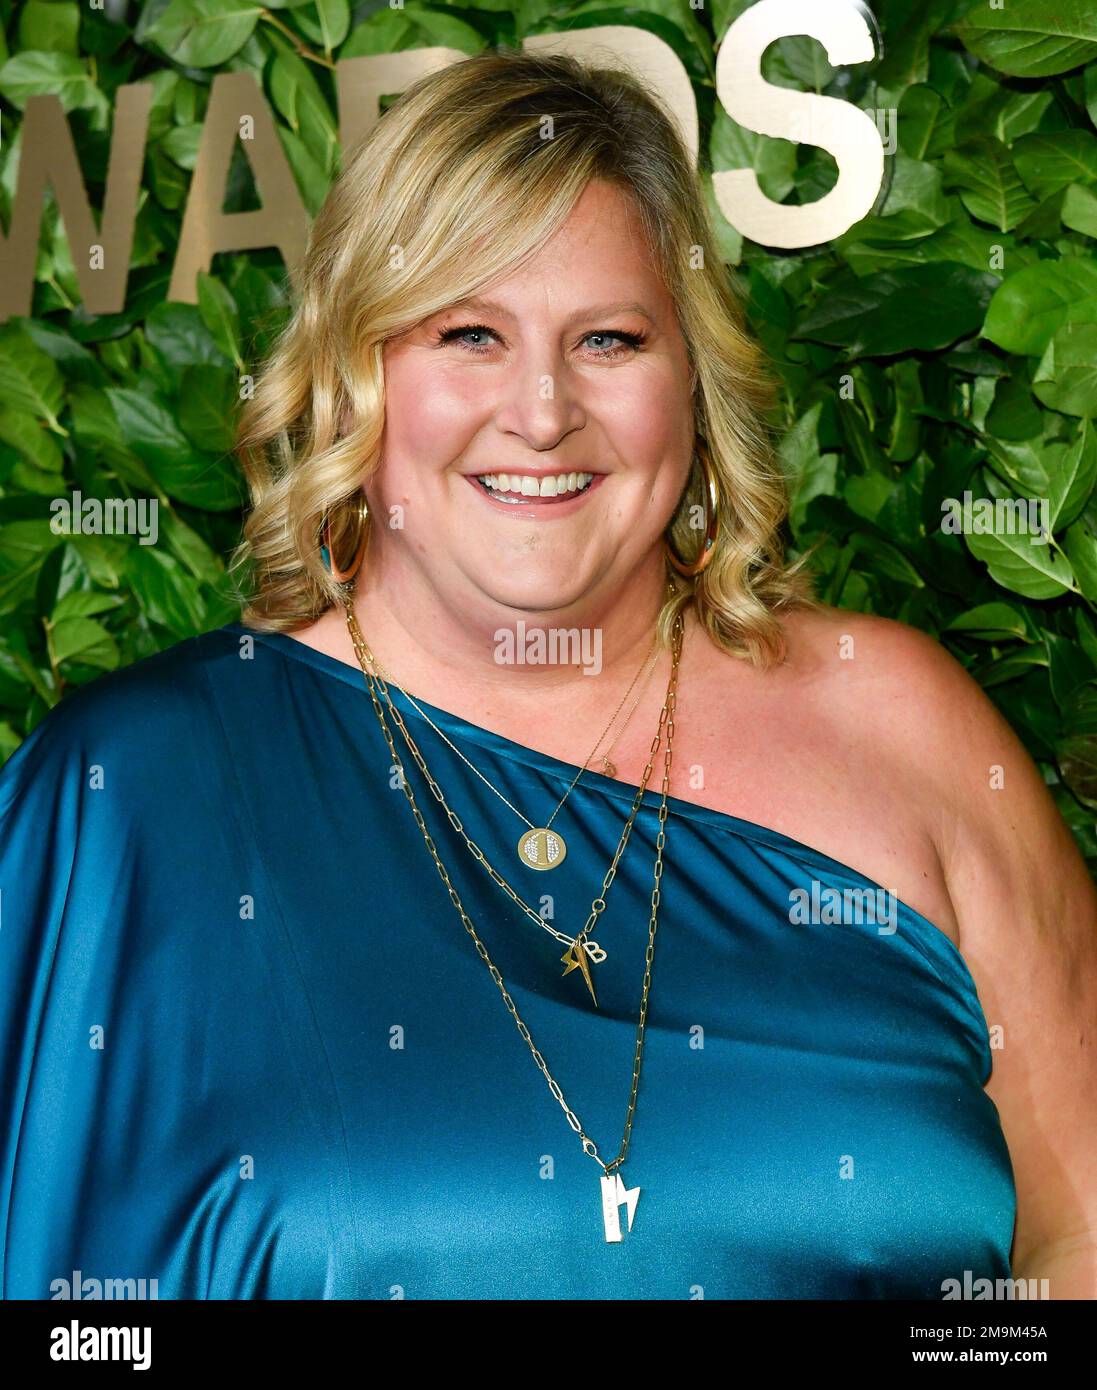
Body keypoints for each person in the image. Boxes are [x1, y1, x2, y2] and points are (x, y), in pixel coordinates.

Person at [2, 48, 1095, 1302]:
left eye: (608, 340)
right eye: (468, 333)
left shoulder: (906, 729)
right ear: (357, 373)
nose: (539, 410)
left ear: (691, 380)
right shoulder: (133, 791)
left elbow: (1079, 1243)